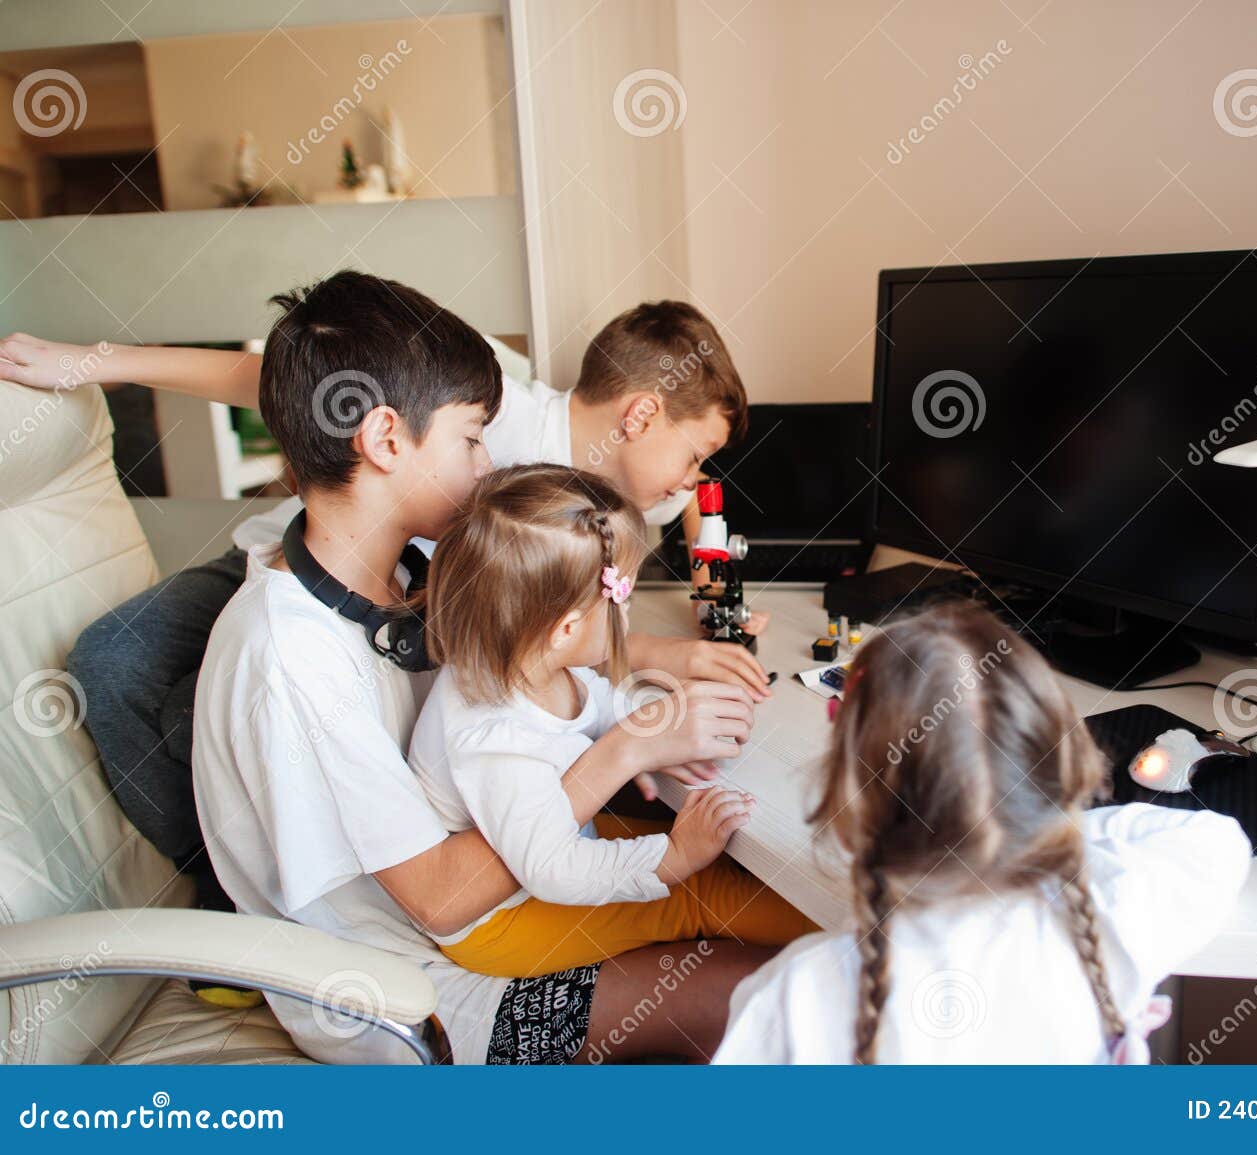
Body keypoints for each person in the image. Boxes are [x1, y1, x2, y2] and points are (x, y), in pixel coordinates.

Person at [182, 271, 774, 1064]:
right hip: (412, 994)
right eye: (470, 438)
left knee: (739, 886)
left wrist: (639, 722)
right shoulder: (289, 656)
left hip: (489, 911)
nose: (487, 464)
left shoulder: (408, 578)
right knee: (761, 988)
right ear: (386, 439)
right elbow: (441, 896)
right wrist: (623, 749)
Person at [0, 291, 769, 893]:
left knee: (203, 722)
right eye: (694, 454)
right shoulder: (494, 408)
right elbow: (288, 380)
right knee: (119, 666)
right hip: (315, 563)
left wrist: (710, 617)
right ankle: (214, 889)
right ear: (641, 413)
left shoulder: (642, 492)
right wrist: (99, 361)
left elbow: (658, 552)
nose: (693, 479)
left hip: (392, 602)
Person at [711, 602, 1253, 1064]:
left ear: (851, 797)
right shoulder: (1118, 911)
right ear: (1061, 762)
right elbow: (1219, 842)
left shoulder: (794, 999)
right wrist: (1034, 824)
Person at [409, 463, 814, 979]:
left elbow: (597, 704)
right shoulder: (495, 740)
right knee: (709, 892)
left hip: (554, 845)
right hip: (504, 921)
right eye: (622, 600)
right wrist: (674, 856)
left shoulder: (530, 659)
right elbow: (552, 868)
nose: (628, 616)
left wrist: (658, 729)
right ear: (565, 629)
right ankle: (857, 945)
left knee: (726, 864)